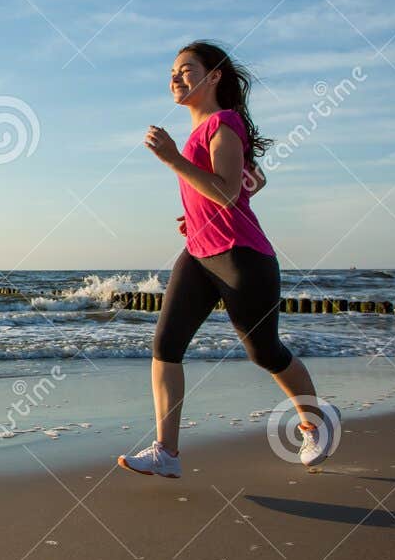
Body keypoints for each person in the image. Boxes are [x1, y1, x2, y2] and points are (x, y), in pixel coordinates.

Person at [119, 41, 336, 479]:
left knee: (264, 352)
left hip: (242, 256)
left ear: (213, 76)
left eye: (186, 69)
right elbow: (253, 179)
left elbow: (229, 191)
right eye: (172, 72)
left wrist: (173, 159)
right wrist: (197, 211)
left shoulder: (224, 122)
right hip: (199, 254)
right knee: (165, 346)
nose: (175, 78)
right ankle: (167, 452)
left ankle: (318, 423)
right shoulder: (207, 129)